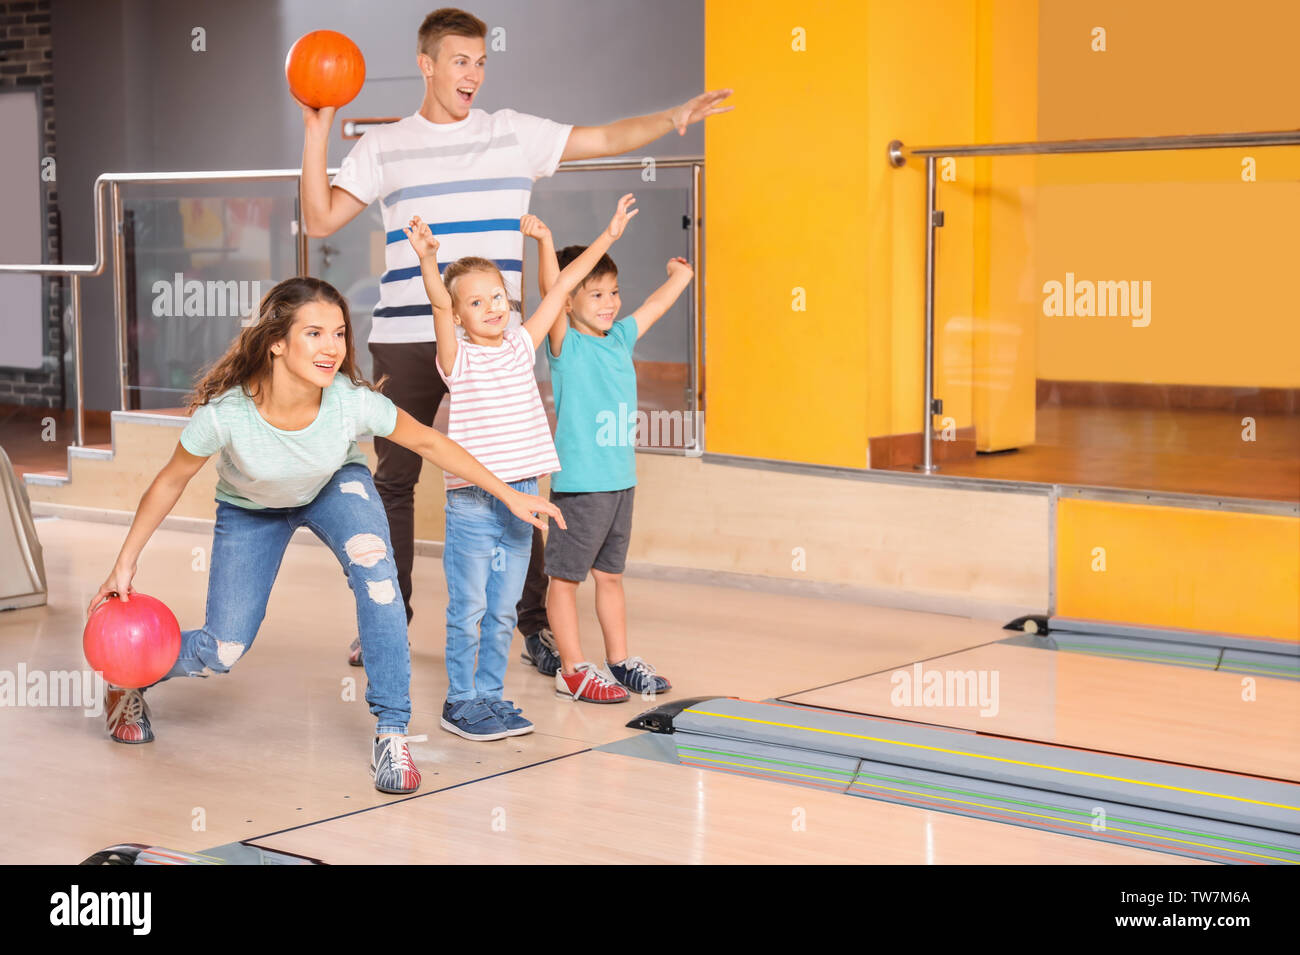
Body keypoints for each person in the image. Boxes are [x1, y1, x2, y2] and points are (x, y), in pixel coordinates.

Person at [298, 6, 732, 672]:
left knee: (520, 474)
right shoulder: (385, 146)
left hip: (499, 346)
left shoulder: (513, 135)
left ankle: (536, 623)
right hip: (411, 334)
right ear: (427, 64)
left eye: (481, 62)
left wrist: (673, 117)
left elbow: (606, 138)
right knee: (397, 481)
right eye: (460, 61)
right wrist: (316, 126)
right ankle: (388, 619)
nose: (472, 74)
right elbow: (320, 217)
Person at [88, 276, 562, 794]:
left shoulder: (349, 402)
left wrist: (509, 493)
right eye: (314, 333)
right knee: (223, 648)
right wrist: (124, 562)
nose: (331, 347)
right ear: (276, 341)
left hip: (336, 484)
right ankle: (128, 680)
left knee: (378, 578)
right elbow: (170, 480)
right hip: (253, 509)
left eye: (338, 333)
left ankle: (392, 731)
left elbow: (430, 442)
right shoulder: (226, 414)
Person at [401, 194, 636, 737]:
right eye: (476, 303)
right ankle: (461, 700)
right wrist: (428, 262)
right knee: (470, 609)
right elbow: (438, 303)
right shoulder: (457, 357)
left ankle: (491, 695)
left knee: (505, 611)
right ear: (459, 316)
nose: (493, 308)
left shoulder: (520, 345)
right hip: (473, 504)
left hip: (524, 497)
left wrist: (608, 235)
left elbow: (560, 288)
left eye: (499, 298)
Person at [518, 215, 694, 702]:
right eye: (595, 294)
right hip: (580, 486)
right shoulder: (564, 345)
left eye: (613, 292)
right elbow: (552, 289)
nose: (610, 303)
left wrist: (678, 278)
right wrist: (547, 241)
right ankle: (572, 669)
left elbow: (654, 307)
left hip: (621, 483)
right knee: (566, 579)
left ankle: (618, 662)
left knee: (611, 576)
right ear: (570, 301)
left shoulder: (618, 339)